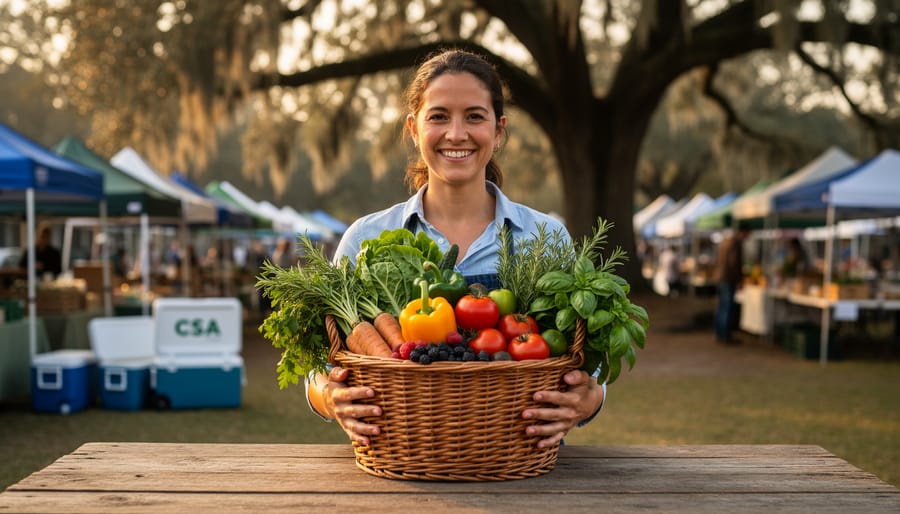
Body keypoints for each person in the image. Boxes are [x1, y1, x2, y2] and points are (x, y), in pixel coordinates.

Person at [306, 49, 605, 450]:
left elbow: (585, 362)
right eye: (439, 116)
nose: (457, 133)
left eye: (475, 116)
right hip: (401, 461)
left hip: (521, 464)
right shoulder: (365, 238)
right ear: (414, 129)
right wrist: (330, 399)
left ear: (499, 131)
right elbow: (320, 368)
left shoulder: (544, 237)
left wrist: (590, 399)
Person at [714, 227, 748, 344]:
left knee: (721, 307)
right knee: (727, 308)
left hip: (721, 277)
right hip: (728, 278)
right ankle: (725, 336)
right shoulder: (735, 243)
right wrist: (739, 280)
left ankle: (720, 334)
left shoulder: (725, 241)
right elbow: (734, 264)